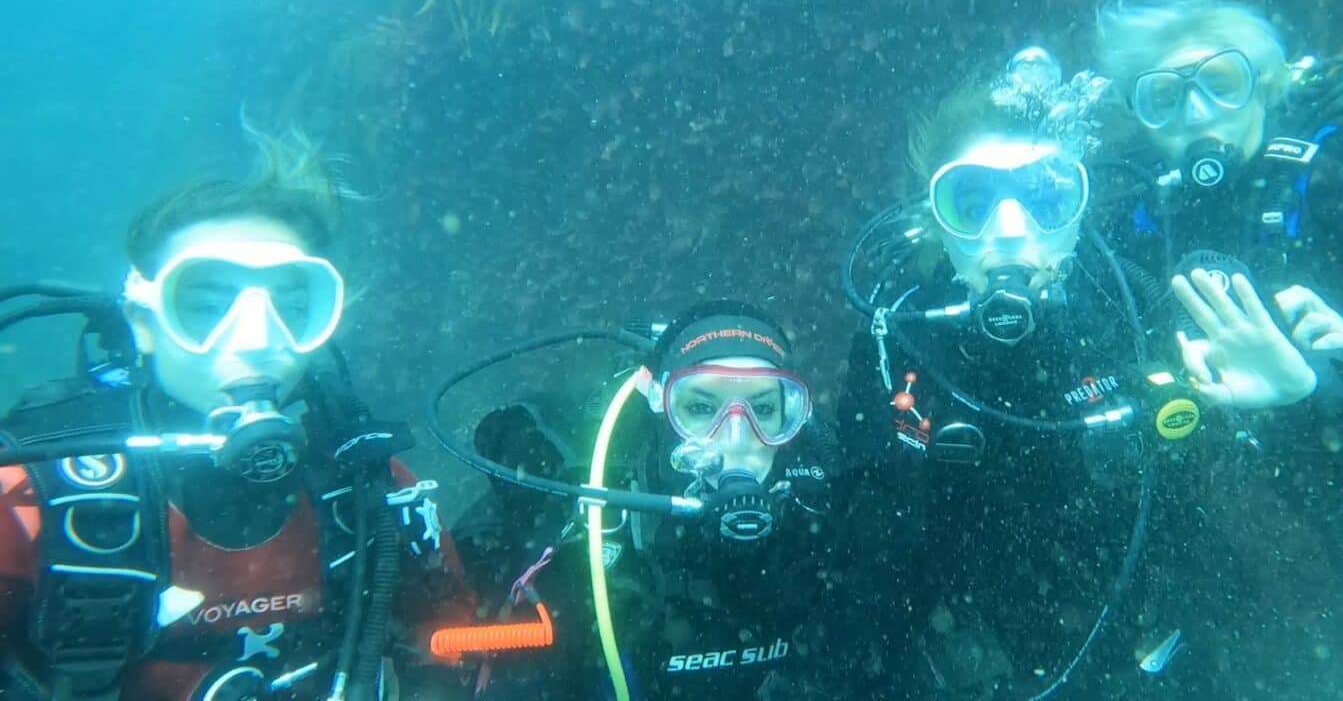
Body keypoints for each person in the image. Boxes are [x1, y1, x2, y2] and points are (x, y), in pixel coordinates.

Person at [829, 45, 1343, 699]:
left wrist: (1311, 392)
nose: (1010, 230)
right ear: (935, 220)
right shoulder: (897, 336)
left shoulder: (1136, 306)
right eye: (971, 200)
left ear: (1080, 207)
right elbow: (853, 529)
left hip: (1151, 658)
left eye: (1045, 195)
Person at [0, 131, 474, 700]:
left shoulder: (368, 489)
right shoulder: (29, 500)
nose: (256, 339)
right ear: (143, 322)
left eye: (291, 306)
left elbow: (449, 652)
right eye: (207, 306)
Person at [1092, 0, 1343, 440]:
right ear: (1139, 115)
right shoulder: (1123, 206)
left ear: (1265, 86)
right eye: (1164, 96)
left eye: (1221, 84)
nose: (1196, 112)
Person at [451, 300, 838, 701]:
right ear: (659, 403)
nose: (737, 440)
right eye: (701, 407)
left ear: (794, 416)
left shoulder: (822, 508)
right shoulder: (593, 507)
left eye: (764, 408)